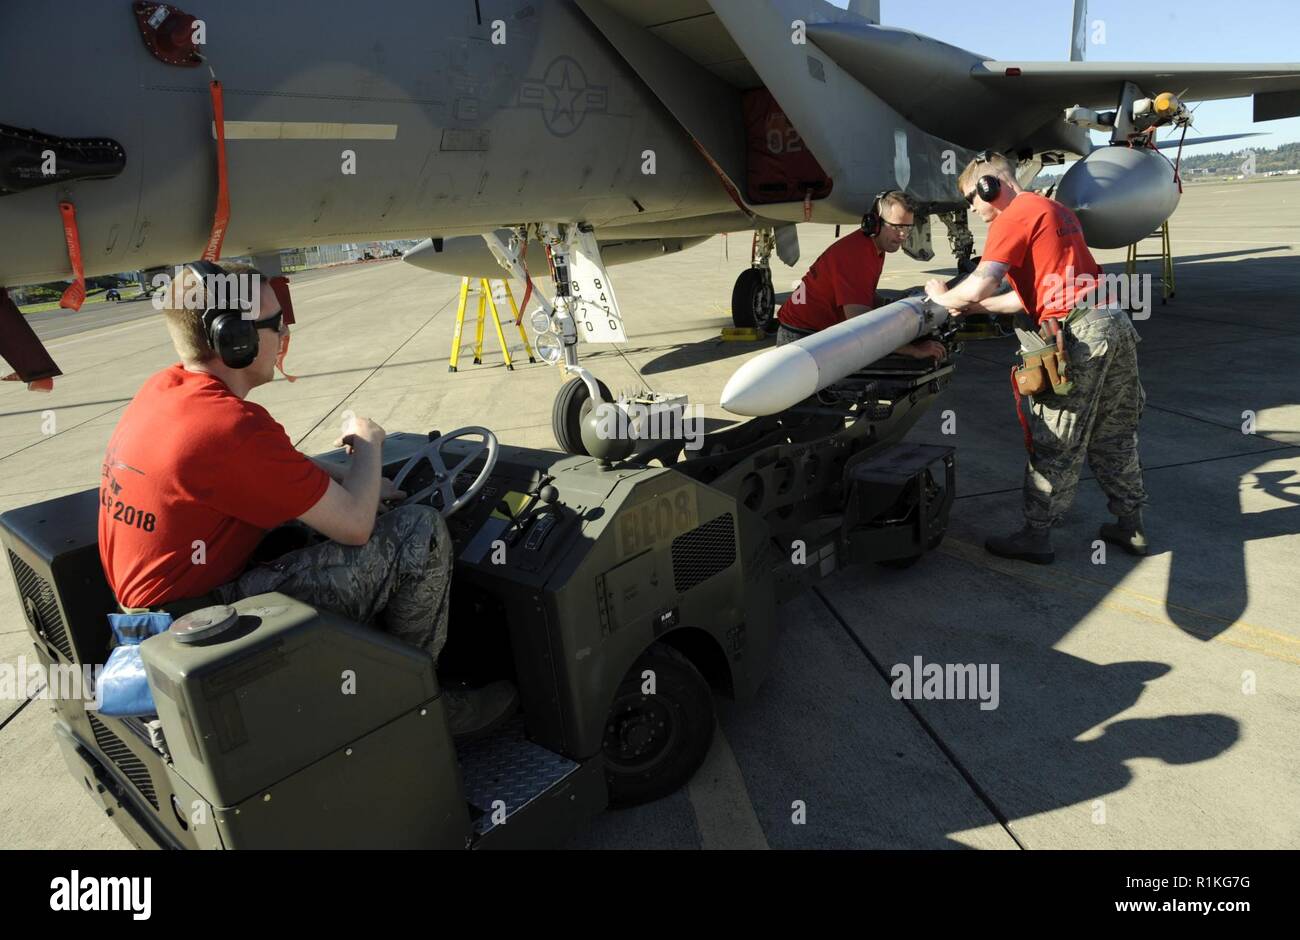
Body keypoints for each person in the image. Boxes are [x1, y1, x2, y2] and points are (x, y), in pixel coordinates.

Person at [97, 260, 517, 738]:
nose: (284, 333)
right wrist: (367, 445)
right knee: (419, 534)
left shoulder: (169, 391)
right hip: (201, 630)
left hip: (158, 618)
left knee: (306, 527)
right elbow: (357, 526)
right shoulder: (229, 427)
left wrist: (354, 478)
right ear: (236, 340)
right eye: (275, 324)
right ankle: (414, 703)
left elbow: (274, 465)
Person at [924, 152, 1148, 564]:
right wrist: (979, 308)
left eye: (973, 199)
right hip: (1112, 322)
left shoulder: (1014, 215)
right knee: (1113, 432)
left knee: (1057, 439)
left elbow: (980, 283)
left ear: (990, 187)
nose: (972, 209)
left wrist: (942, 299)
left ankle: (1037, 535)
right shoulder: (1054, 210)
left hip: (1080, 334)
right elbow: (1026, 296)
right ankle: (1130, 525)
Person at [774, 190, 946, 362]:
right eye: (897, 226)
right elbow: (861, 328)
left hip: (815, 333)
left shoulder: (875, 247)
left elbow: (863, 293)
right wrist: (912, 350)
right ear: (875, 223)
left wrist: (893, 305)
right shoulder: (856, 255)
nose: (902, 235)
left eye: (907, 228)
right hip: (801, 338)